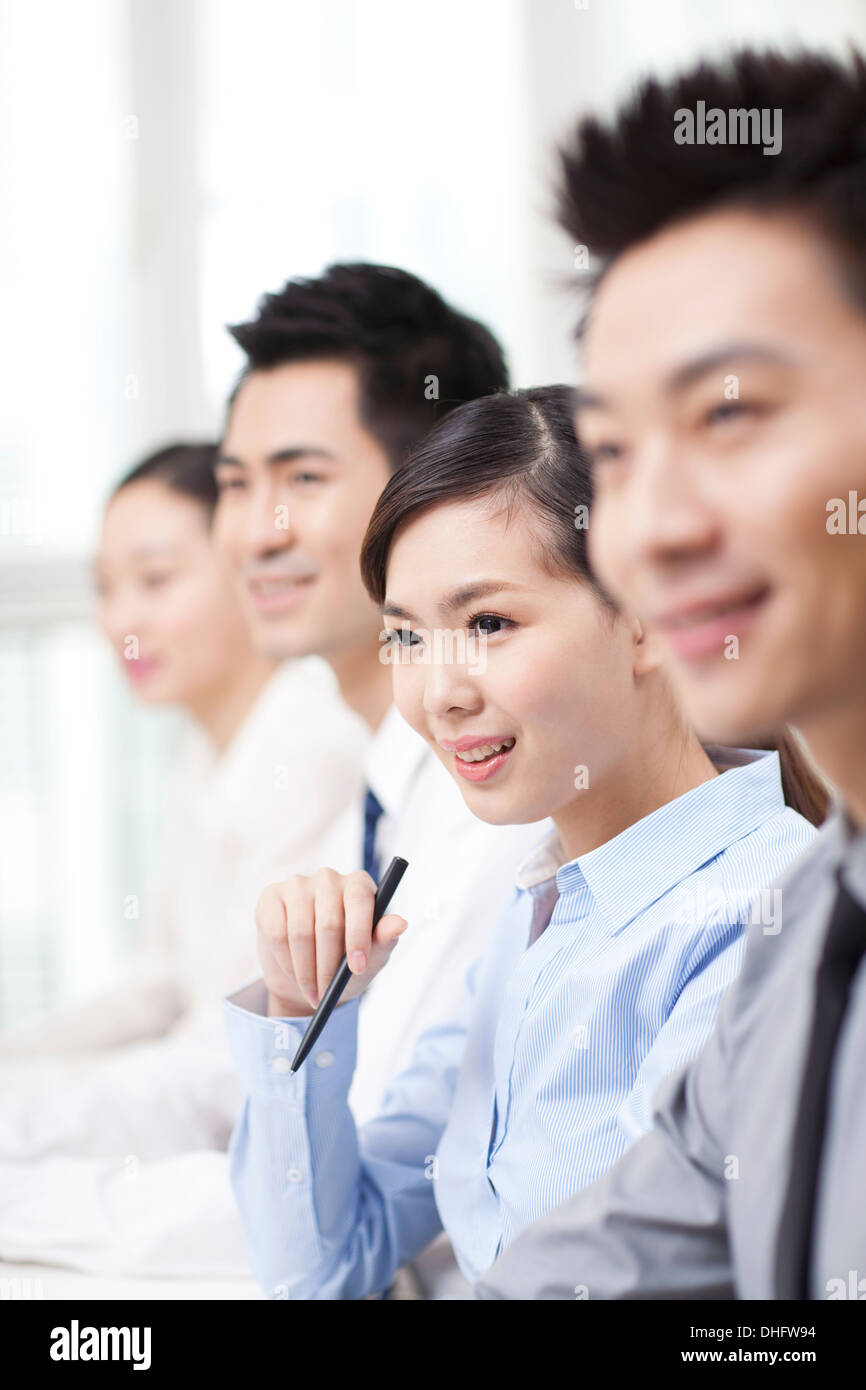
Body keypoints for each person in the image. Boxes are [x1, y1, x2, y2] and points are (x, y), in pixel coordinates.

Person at [222, 385, 821, 1299]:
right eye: (408, 638)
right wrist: (304, 1013)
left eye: (489, 624)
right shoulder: (540, 917)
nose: (439, 692)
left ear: (648, 619)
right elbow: (321, 1270)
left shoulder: (760, 920)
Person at [477, 46, 866, 1301]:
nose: (648, 531)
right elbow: (598, 1271)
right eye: (616, 453)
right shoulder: (804, 937)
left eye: (728, 414)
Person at [0, 442, 367, 1274]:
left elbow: (217, 1058)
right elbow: (156, 987)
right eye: (104, 588)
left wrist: (18, 1119)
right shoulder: (201, 759)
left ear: (246, 572)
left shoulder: (310, 750)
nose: (120, 619)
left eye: (156, 579)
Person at [212, 263, 549, 1132]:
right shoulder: (368, 796)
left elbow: (366, 1156)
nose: (257, 531)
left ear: (431, 489)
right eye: (236, 484)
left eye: (303, 479)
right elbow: (237, 1093)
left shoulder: (506, 798)